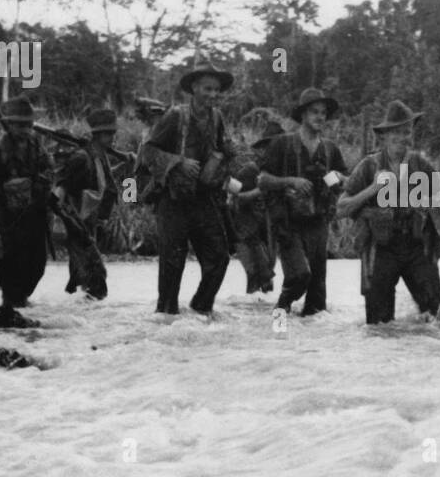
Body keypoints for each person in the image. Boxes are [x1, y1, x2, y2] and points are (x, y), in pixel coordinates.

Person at [337, 100, 440, 324]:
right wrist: (373, 188)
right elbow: (341, 208)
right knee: (379, 323)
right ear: (384, 137)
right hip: (382, 247)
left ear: (411, 135)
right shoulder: (369, 166)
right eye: (395, 132)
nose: (401, 137)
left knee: (436, 316)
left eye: (406, 131)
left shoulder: (421, 163)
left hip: (416, 245)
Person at [137, 62, 237, 316]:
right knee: (172, 263)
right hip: (173, 200)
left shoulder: (217, 117)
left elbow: (224, 149)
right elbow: (147, 150)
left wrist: (226, 153)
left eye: (216, 90)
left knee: (219, 257)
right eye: (207, 89)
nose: (213, 95)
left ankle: (201, 308)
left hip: (204, 199)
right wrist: (178, 162)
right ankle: (167, 316)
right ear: (194, 88)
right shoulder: (175, 115)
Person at [256, 88, 348, 317]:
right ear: (303, 115)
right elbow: (262, 180)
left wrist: (335, 178)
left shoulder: (330, 148)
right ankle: (278, 320)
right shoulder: (282, 144)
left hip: (318, 223)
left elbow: (346, 180)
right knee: (299, 276)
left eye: (323, 113)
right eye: (314, 112)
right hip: (288, 223)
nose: (320, 117)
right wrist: (291, 181)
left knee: (317, 296)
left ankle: (309, 348)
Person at [0, 96, 56, 310]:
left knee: (37, 266)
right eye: (19, 124)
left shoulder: (36, 146)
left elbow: (49, 171)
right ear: (8, 125)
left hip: (34, 217)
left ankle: (19, 304)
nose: (25, 129)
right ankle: (10, 309)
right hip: (7, 219)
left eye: (28, 124)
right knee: (8, 269)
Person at [53, 108, 119, 300]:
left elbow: (109, 186)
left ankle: (71, 308)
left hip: (90, 223)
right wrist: (58, 218)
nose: (111, 138)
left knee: (78, 275)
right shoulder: (82, 157)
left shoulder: (100, 156)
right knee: (96, 278)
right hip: (76, 223)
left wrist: (129, 170)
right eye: (107, 134)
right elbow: (62, 185)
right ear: (97, 135)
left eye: (113, 133)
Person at [229, 119, 282, 295]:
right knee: (257, 279)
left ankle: (258, 317)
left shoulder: (279, 174)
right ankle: (250, 316)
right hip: (246, 235)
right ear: (263, 149)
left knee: (266, 282)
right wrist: (260, 191)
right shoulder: (250, 171)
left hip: (267, 234)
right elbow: (234, 200)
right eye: (270, 147)